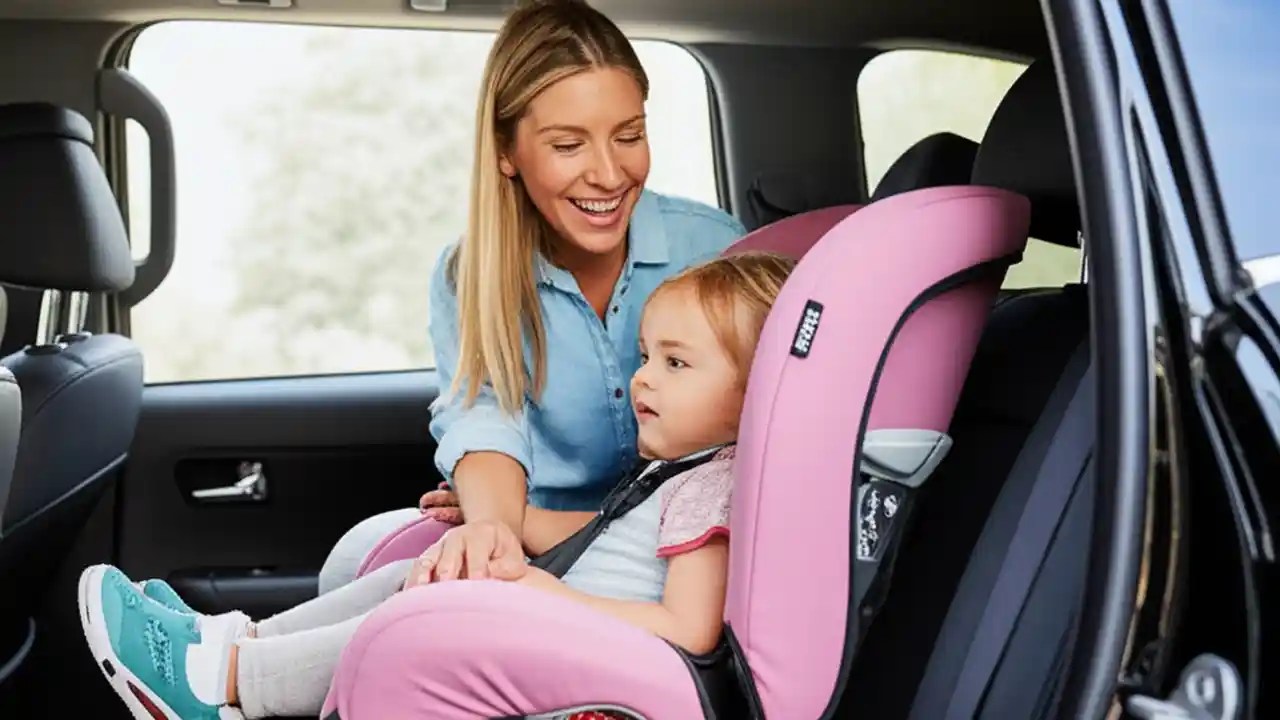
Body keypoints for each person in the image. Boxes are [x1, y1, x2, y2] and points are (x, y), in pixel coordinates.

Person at [78, 252, 795, 720]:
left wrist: (548, 596)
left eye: (676, 364)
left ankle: (226, 685)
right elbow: (601, 541)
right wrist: (506, 521)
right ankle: (235, 642)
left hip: (603, 654)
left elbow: (690, 631)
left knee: (432, 604)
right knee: (416, 575)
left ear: (755, 390)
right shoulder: (684, 472)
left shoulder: (717, 489)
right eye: (646, 355)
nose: (642, 376)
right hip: (568, 620)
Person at [318, 0, 746, 596]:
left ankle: (229, 669)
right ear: (505, 151)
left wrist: (504, 518)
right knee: (366, 569)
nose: (608, 174)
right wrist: (492, 526)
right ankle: (228, 654)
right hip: (542, 539)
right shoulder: (468, 274)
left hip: (664, 559)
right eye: (568, 146)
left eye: (629, 136)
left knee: (413, 604)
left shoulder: (717, 250)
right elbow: (484, 417)